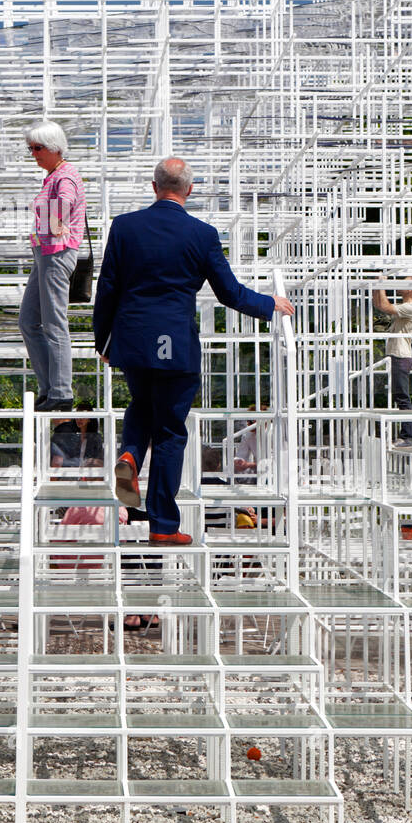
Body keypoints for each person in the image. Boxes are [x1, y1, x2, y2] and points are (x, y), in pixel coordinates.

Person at [93, 157, 293, 545]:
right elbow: (229, 293)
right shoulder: (201, 234)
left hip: (132, 341)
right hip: (175, 346)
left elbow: (107, 289)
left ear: (154, 187)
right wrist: (271, 305)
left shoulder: (124, 226)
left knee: (141, 403)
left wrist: (104, 340)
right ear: (190, 189)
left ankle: (131, 454)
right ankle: (163, 525)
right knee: (169, 431)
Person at [18, 120, 86, 412]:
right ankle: (50, 388)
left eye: (38, 148)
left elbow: (65, 205)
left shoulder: (65, 177)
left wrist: (53, 223)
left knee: (54, 322)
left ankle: (61, 391)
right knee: (28, 321)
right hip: (45, 253)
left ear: (55, 147)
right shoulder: (54, 175)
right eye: (31, 148)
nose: (34, 153)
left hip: (55, 254)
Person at [372, 279, 412, 450]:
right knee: (400, 396)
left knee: (403, 397)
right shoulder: (404, 306)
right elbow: (379, 304)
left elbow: (384, 306)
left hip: (401, 356)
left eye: (404, 284)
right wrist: (377, 287)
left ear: (411, 290)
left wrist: (381, 284)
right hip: (397, 355)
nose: (399, 286)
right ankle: (406, 435)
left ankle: (408, 436)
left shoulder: (410, 307)